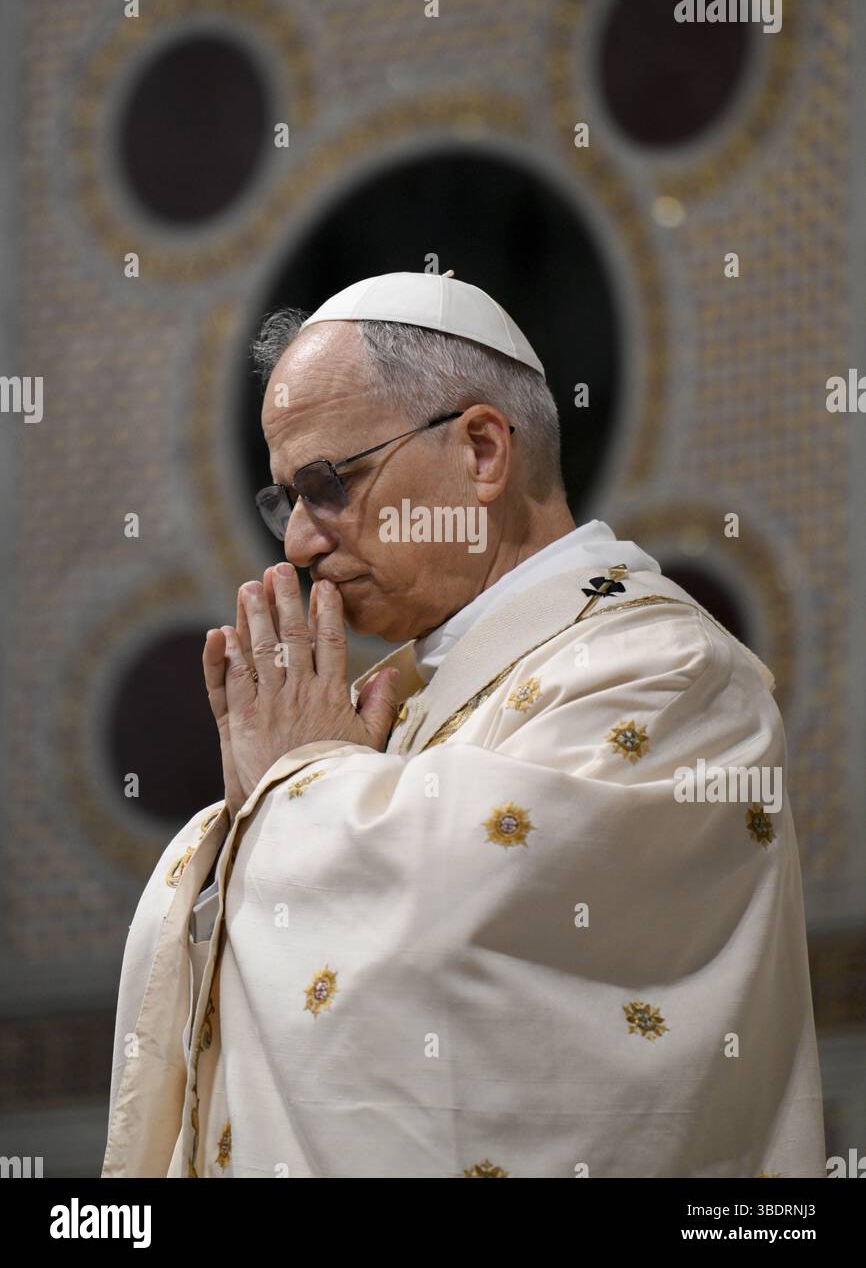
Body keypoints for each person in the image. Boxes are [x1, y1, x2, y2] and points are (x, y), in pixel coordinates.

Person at [102, 271, 825, 1178]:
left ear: (483, 451)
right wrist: (262, 817)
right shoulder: (397, 706)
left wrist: (300, 795)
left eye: (328, 483)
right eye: (283, 500)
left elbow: (488, 982)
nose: (297, 543)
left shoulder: (670, 677)